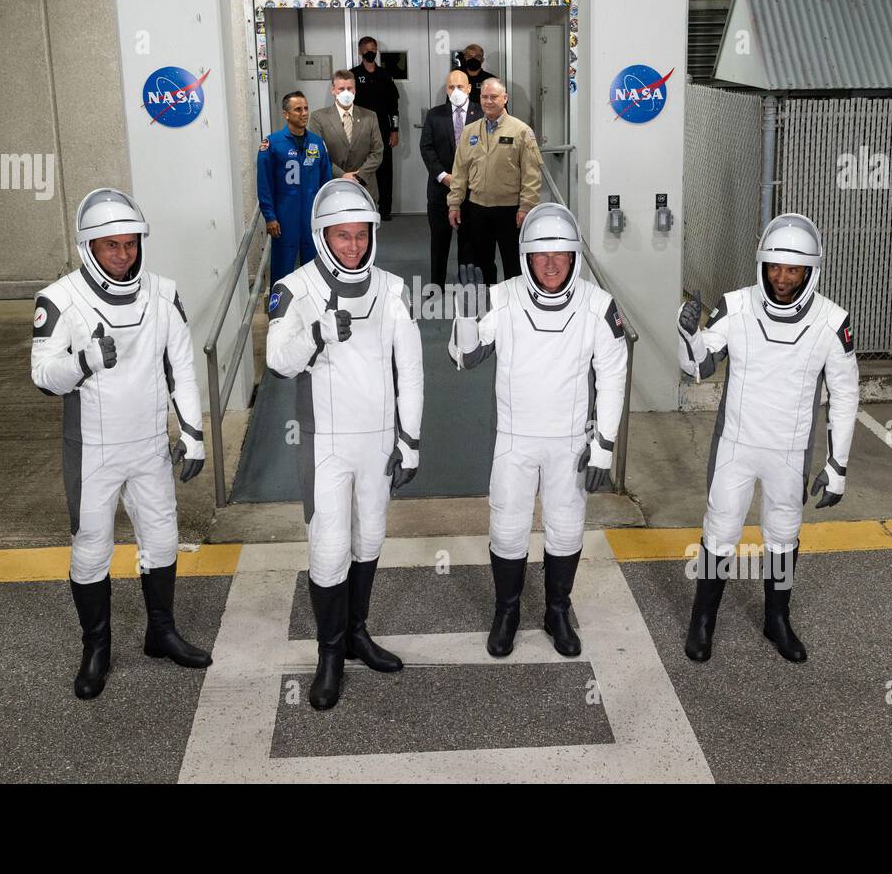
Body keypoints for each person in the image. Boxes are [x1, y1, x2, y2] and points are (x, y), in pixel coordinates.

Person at [31, 188, 213, 700]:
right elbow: (43, 376)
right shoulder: (59, 299)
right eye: (111, 246)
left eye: (130, 244)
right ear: (89, 246)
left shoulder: (163, 292)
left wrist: (193, 435)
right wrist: (83, 361)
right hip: (93, 450)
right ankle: (97, 648)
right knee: (91, 550)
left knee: (160, 542)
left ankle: (162, 632)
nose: (123, 255)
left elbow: (181, 366)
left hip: (150, 445)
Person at [264, 180, 424, 710]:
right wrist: (316, 333)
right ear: (322, 235)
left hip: (378, 442)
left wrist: (411, 439)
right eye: (341, 237)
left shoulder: (394, 289)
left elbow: (412, 371)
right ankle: (329, 653)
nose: (352, 247)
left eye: (360, 236)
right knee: (329, 551)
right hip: (326, 444)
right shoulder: (294, 288)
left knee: (370, 540)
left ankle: (357, 633)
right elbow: (277, 361)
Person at [676, 213, 859, 664]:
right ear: (762, 264)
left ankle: (777, 618)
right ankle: (703, 621)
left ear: (810, 270)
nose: (781, 278)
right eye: (775, 267)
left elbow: (846, 393)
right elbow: (698, 368)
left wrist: (837, 466)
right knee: (720, 531)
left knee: (782, 534)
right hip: (736, 446)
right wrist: (688, 336)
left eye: (792, 269)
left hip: (790, 451)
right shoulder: (734, 306)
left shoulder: (832, 322)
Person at [448, 203, 627, 659]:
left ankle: (557, 611)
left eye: (561, 254)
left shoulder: (598, 306)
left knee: (565, 530)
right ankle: (507, 611)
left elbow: (612, 376)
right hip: (515, 440)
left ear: (575, 257)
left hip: (571, 443)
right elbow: (463, 357)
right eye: (541, 254)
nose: (551, 264)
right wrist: (467, 314)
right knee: (507, 530)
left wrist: (603, 446)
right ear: (525, 256)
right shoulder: (502, 297)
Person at [446, 78, 543, 286]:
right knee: (482, 263)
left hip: (510, 211)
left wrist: (526, 207)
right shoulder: (470, 131)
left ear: (505, 98)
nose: (488, 101)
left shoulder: (521, 131)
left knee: (513, 264)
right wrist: (454, 203)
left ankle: (514, 306)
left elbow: (531, 175)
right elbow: (460, 171)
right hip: (477, 209)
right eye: (484, 97)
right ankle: (488, 306)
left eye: (494, 97)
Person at [257, 91, 333, 282]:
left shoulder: (316, 142)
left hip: (311, 215)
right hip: (284, 217)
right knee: (283, 269)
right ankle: (280, 309)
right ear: (286, 114)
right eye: (298, 109)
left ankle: (315, 307)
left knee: (315, 266)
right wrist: (270, 216)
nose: (304, 113)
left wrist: (326, 214)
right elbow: (264, 184)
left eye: (306, 108)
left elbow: (326, 181)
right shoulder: (272, 143)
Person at [419, 68, 482, 293]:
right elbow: (426, 148)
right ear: (446, 90)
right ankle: (437, 286)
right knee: (440, 240)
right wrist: (444, 177)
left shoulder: (482, 113)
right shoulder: (435, 115)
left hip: (472, 191)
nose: (456, 91)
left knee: (469, 241)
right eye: (451, 87)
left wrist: (469, 179)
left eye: (460, 87)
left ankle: (467, 287)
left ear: (469, 88)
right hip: (440, 191)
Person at [308, 70, 384, 207]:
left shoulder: (370, 116)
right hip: (332, 188)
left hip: (365, 187)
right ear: (333, 90)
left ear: (355, 90)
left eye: (349, 88)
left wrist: (359, 176)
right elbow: (317, 155)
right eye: (341, 89)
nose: (346, 92)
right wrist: (342, 175)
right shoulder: (318, 118)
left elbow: (377, 152)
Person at [352, 36, 400, 221]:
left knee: (385, 171)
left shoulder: (385, 75)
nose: (369, 52)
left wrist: (394, 130)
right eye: (365, 49)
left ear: (377, 50)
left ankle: (385, 209)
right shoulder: (353, 75)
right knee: (361, 170)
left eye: (372, 48)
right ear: (360, 51)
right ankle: (361, 206)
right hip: (360, 132)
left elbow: (394, 107)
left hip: (384, 131)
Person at [460, 44, 497, 109]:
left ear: (482, 59)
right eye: (469, 56)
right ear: (465, 59)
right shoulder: (458, 79)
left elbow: (500, 106)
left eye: (477, 56)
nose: (473, 59)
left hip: (485, 117)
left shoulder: (492, 80)